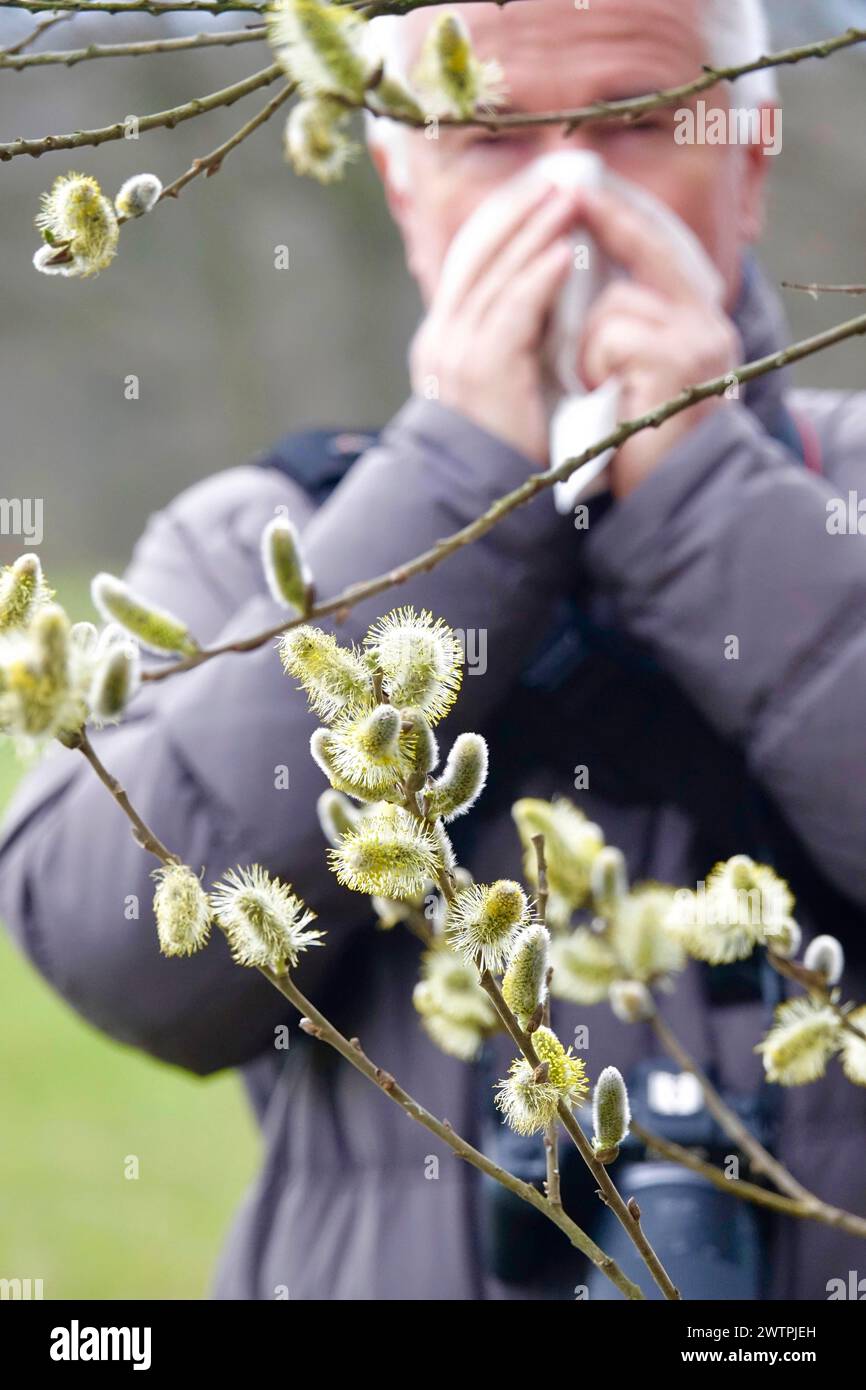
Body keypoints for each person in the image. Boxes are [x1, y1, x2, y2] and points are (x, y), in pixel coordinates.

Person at [2, 0, 865, 1300]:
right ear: (403, 184)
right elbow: (118, 949)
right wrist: (457, 488)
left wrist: (705, 504)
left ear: (747, 155)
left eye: (636, 121)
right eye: (488, 135)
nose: (568, 193)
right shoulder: (263, 538)